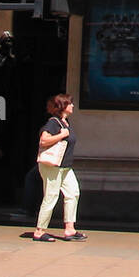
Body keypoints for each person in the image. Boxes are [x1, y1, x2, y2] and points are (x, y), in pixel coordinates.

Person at [33, 93, 85, 242]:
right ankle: (39, 231)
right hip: (53, 167)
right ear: (63, 106)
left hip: (65, 167)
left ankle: (70, 229)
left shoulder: (65, 122)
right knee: (51, 196)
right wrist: (61, 135)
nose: (73, 106)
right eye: (70, 103)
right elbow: (43, 141)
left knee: (73, 192)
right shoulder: (54, 123)